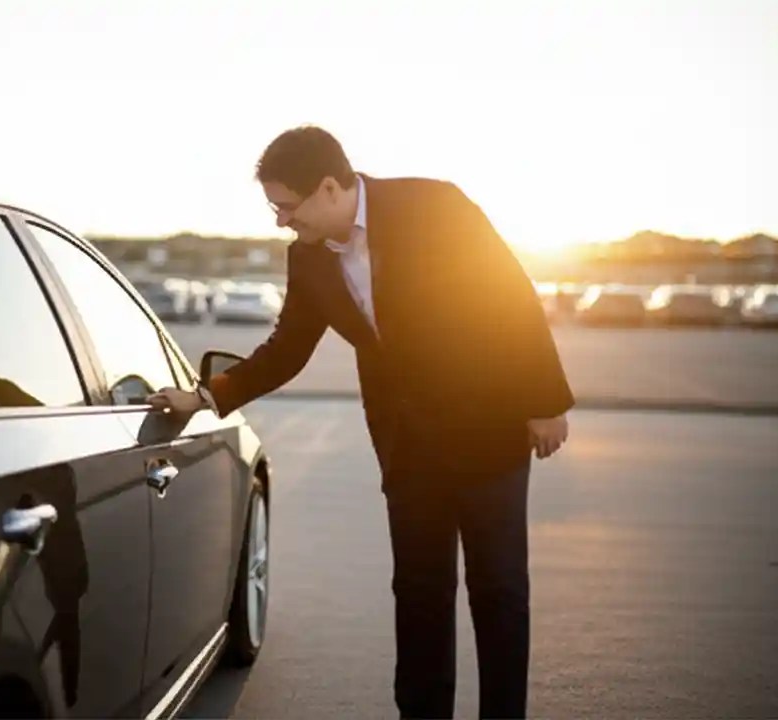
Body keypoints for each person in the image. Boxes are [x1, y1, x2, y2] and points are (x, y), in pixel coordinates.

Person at [148, 125, 573, 719]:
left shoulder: (437, 206)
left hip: (489, 430)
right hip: (408, 446)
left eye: (286, 207)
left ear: (328, 188)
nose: (281, 222)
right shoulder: (309, 256)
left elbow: (509, 296)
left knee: (499, 592)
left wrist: (545, 400)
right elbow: (289, 347)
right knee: (420, 596)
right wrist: (206, 396)